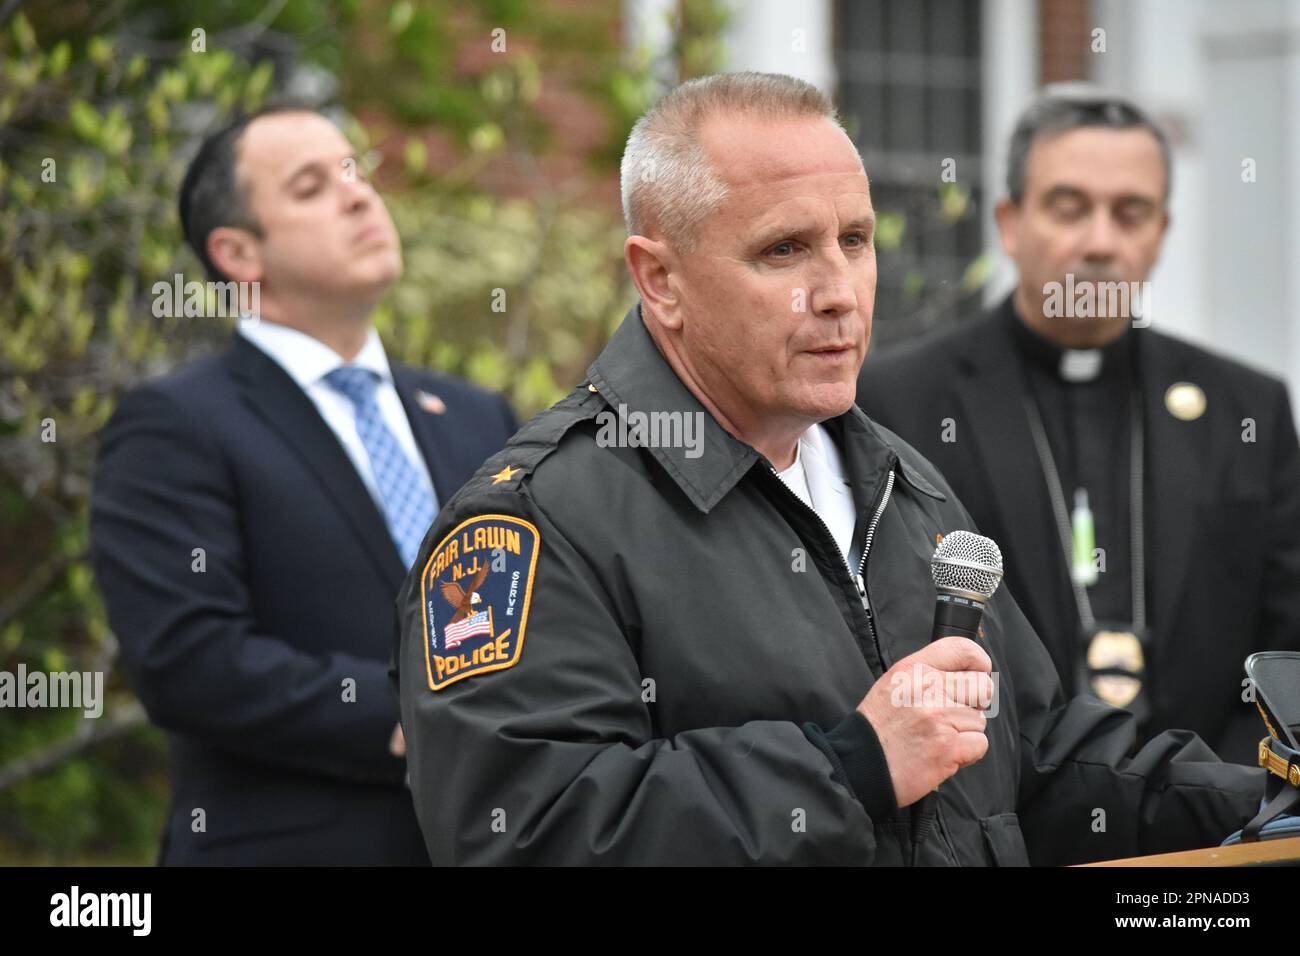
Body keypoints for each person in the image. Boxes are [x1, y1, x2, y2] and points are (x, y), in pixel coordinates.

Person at [394, 73, 1264, 866]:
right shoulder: (539, 521)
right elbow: (524, 831)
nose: (840, 290)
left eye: (856, 239)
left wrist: (1265, 794)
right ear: (659, 280)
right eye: (784, 251)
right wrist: (850, 768)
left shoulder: (897, 478)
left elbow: (1031, 756)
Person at [90, 105, 518, 864]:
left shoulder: (477, 417)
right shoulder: (175, 426)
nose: (358, 196)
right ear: (239, 253)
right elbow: (189, 660)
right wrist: (427, 716)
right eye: (312, 186)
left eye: (356, 171)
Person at [857, 86, 1300, 765]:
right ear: (1009, 222)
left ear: (1161, 234)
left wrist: (1223, 802)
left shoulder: (1248, 410)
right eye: (1070, 208)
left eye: (1131, 213)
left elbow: (1290, 647)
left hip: (1218, 834)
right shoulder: (901, 402)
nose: (1100, 242)